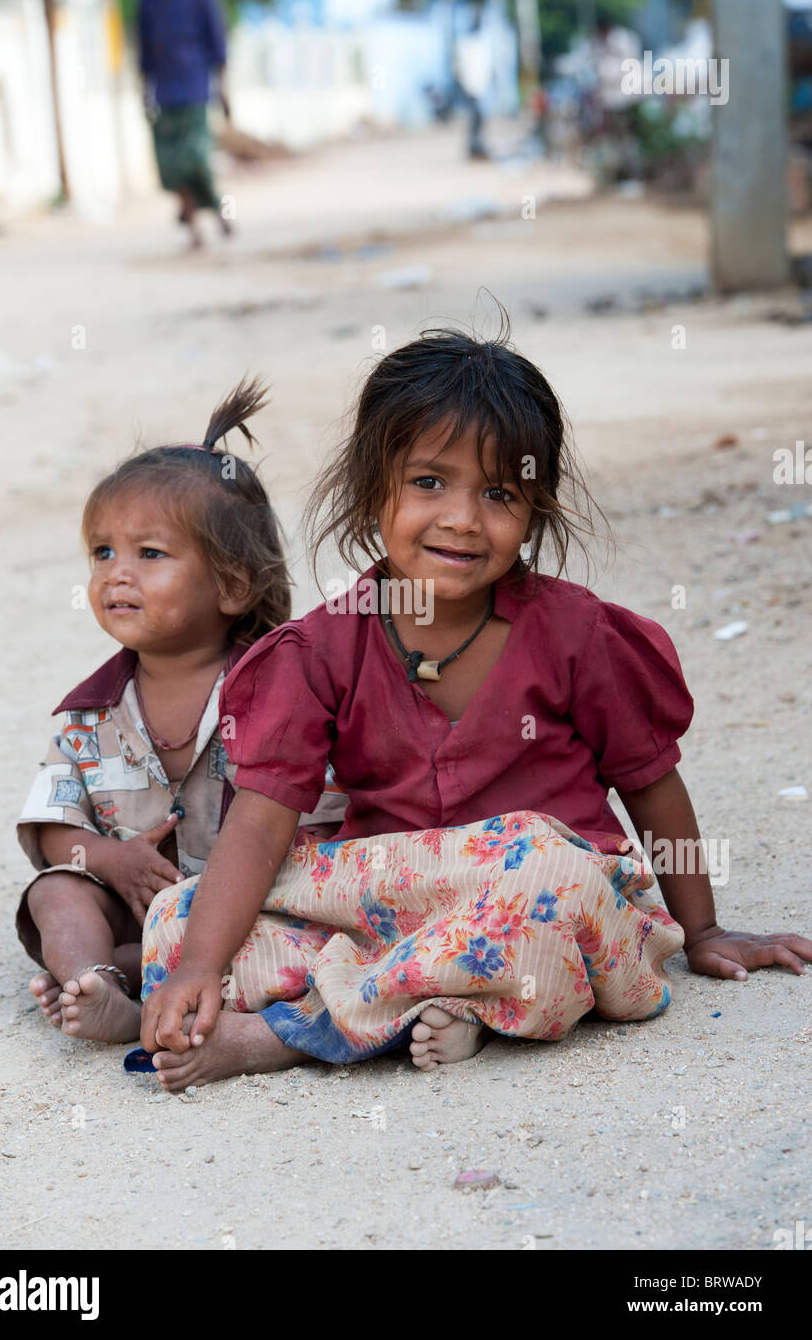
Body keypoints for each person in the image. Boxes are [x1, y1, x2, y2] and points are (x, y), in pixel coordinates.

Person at [140, 325, 812, 1091]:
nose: (462, 517)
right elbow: (260, 824)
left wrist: (704, 930)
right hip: (393, 907)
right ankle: (445, 1005)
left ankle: (289, 1035)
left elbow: (651, 783)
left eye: (499, 494)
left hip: (535, 901)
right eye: (429, 482)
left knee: (555, 879)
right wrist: (197, 962)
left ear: (537, 509)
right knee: (176, 919)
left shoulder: (578, 635)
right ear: (372, 487)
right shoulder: (320, 649)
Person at [17, 380, 346, 1044]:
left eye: (150, 553)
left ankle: (152, 979)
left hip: (259, 904)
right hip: (145, 905)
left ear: (231, 584)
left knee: (311, 930)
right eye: (103, 552)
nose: (116, 573)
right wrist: (108, 861)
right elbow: (52, 823)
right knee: (55, 892)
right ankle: (97, 985)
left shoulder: (281, 688)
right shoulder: (91, 713)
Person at [139, 0, 232, 248]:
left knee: (195, 158)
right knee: (171, 165)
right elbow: (144, 55)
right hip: (164, 94)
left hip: (195, 89)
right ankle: (194, 230)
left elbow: (217, 44)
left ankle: (219, 209)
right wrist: (143, 92)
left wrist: (224, 89)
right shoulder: (148, 0)